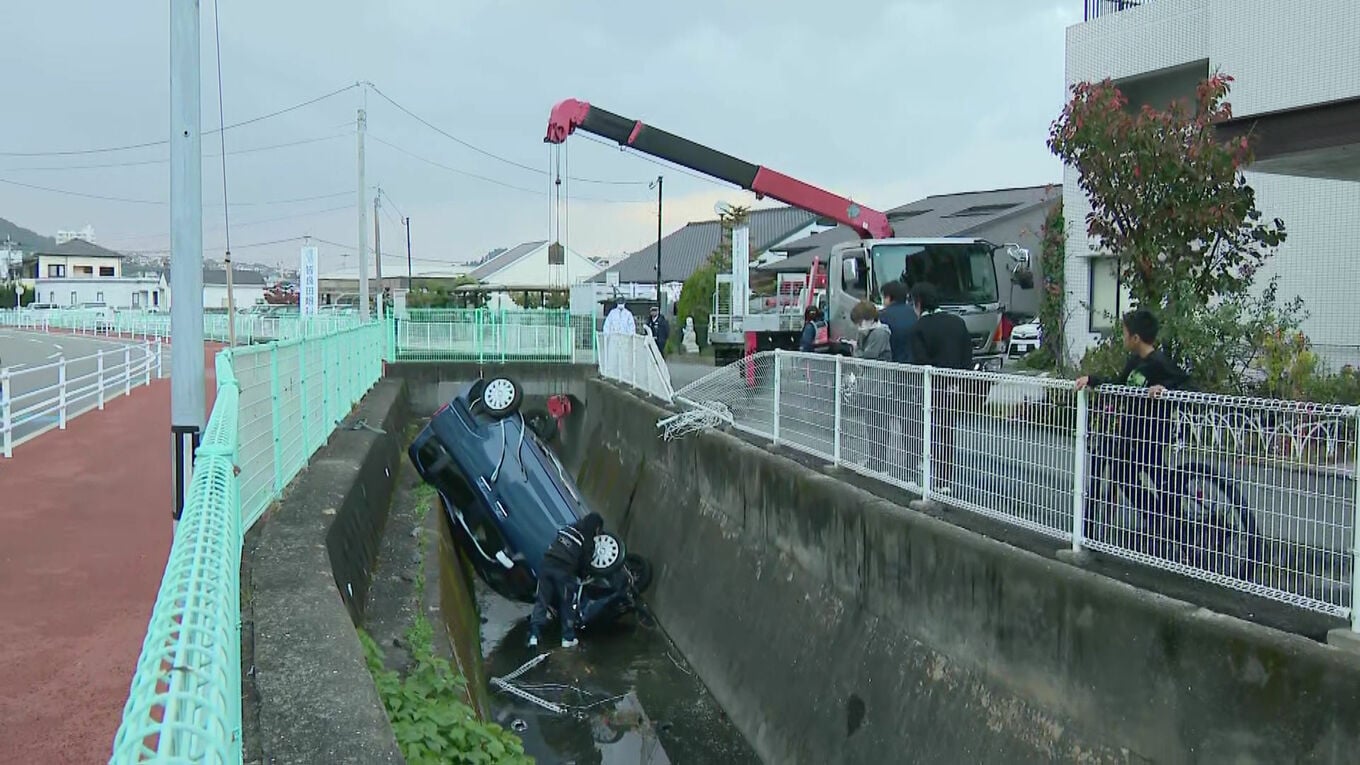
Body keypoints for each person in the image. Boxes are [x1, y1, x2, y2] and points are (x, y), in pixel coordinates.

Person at [1075, 309, 1190, 553]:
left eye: (1125, 333)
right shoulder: (1135, 362)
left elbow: (1185, 382)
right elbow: (1119, 385)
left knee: (1158, 480)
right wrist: (1093, 380)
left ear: (1136, 337)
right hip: (1131, 433)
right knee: (1121, 473)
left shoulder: (1159, 361)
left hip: (1153, 434)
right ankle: (1156, 519)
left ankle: (1174, 524)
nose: (1123, 337)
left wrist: (1163, 387)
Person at [904, 283, 973, 494]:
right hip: (955, 385)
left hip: (931, 386)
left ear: (918, 303)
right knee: (946, 432)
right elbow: (967, 355)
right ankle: (945, 481)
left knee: (920, 429)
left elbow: (920, 361)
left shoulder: (919, 327)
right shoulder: (957, 322)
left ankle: (918, 473)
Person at [528, 512, 605, 648]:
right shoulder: (586, 539)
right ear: (595, 527)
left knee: (542, 600)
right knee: (567, 602)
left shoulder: (567, 529)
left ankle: (534, 635)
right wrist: (586, 574)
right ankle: (567, 638)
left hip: (546, 565)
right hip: (563, 571)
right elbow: (585, 564)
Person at [850, 300, 893, 472]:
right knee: (872, 425)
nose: (859, 326)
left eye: (860, 322)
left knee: (879, 425)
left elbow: (867, 357)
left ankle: (879, 462)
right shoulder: (869, 333)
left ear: (868, 318)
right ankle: (874, 460)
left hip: (880, 387)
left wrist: (856, 349)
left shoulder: (880, 333)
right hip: (869, 385)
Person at [878, 280, 916, 364]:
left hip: (893, 365)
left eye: (883, 297)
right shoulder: (913, 313)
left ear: (888, 297)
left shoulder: (883, 316)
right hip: (913, 364)